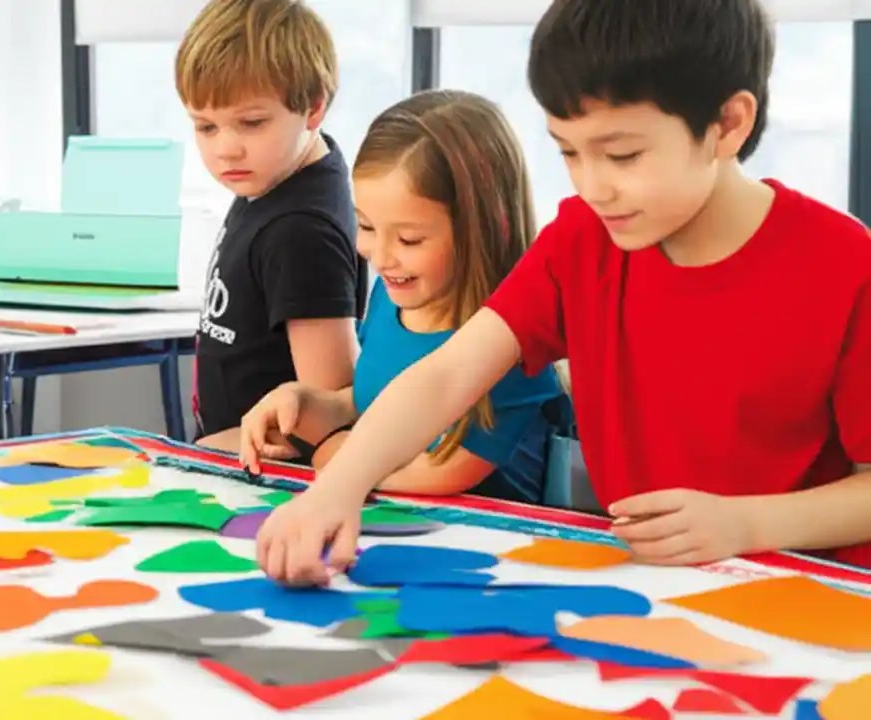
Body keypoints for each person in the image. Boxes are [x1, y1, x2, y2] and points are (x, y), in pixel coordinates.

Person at [253, 0, 871, 581]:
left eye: (623, 155)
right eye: (569, 152)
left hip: (812, 597)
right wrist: (337, 490)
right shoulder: (582, 239)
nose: (594, 186)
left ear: (727, 124)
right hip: (649, 587)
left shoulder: (844, 264)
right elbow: (447, 376)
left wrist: (745, 524)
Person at [241, 90, 563, 502]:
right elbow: (368, 404)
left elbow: (443, 473)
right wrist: (302, 403)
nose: (380, 257)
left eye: (409, 239)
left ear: (482, 229)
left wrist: (342, 459)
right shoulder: (389, 296)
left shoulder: (512, 342)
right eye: (367, 227)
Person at [177, 0, 367, 451]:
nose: (226, 149)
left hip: (264, 476)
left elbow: (324, 412)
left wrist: (200, 452)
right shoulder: (269, 177)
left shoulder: (301, 230)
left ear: (313, 109)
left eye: (251, 123)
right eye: (205, 127)